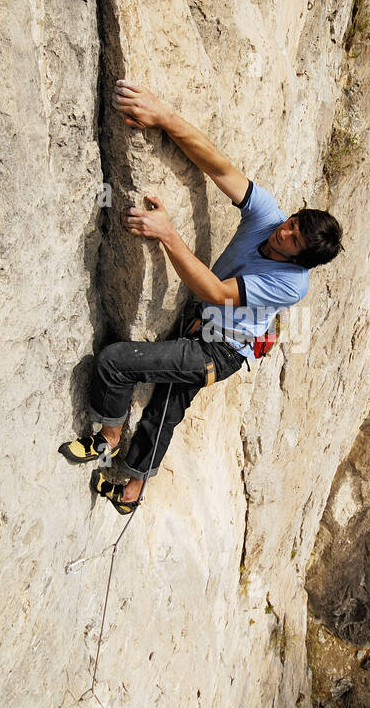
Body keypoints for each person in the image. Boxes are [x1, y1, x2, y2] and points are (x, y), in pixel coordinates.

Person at [59, 79, 344, 512]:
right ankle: (132, 489)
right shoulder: (270, 218)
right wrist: (163, 117)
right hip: (202, 323)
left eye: (293, 239)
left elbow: (214, 289)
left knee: (116, 363)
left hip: (220, 350)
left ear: (300, 260)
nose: (283, 231)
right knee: (166, 408)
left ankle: (108, 438)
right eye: (293, 222)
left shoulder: (291, 283)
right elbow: (219, 166)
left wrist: (169, 235)